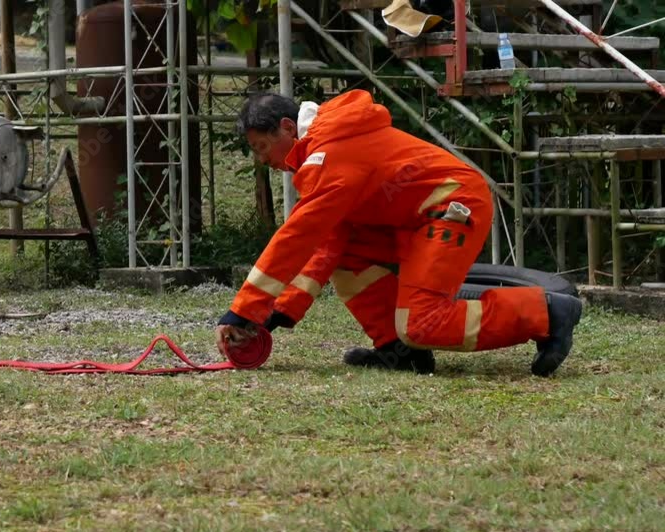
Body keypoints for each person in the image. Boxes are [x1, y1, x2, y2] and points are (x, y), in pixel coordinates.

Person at [215, 91, 583, 376]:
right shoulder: (327, 146)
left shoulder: (330, 153)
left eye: (262, 147)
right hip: (419, 217)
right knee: (349, 257)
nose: (263, 160)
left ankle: (547, 313)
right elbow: (327, 242)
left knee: (422, 324)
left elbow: (300, 234)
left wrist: (243, 310)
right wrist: (275, 311)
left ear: (287, 127)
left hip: (451, 205)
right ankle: (399, 351)